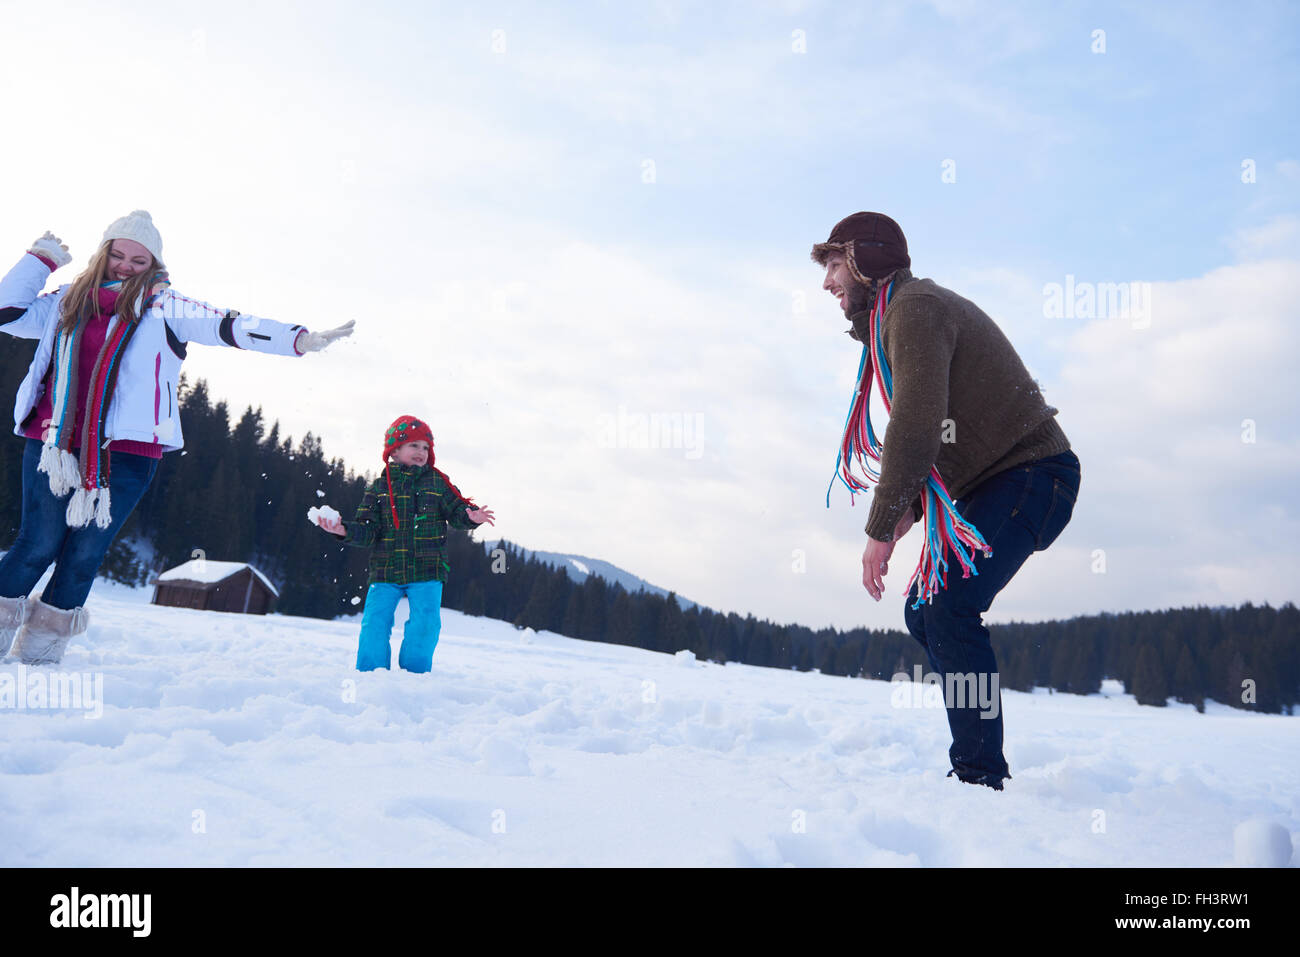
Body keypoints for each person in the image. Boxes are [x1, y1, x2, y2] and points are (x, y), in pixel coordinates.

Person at [0, 211, 355, 665]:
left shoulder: (165, 306)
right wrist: (39, 260)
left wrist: (299, 340)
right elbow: (9, 313)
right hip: (52, 442)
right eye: (118, 254)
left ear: (154, 264)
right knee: (38, 544)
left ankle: (39, 658)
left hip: (127, 452)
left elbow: (230, 325)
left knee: (84, 553)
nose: (125, 266)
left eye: (138, 259)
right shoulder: (67, 300)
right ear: (104, 252)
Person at [813, 211, 1082, 791]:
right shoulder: (896, 319)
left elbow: (917, 421)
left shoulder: (914, 308)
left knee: (948, 609)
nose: (827, 283)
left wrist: (881, 527)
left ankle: (980, 777)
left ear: (865, 260)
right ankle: (979, 762)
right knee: (925, 612)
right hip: (1001, 480)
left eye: (834, 265)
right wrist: (908, 511)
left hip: (1034, 474)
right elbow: (940, 430)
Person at [314, 415, 495, 672]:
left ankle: (415, 676)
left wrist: (470, 516)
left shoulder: (437, 482)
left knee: (426, 624)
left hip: (428, 569)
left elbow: (457, 510)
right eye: (414, 445)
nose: (422, 452)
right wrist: (343, 530)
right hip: (386, 569)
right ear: (394, 450)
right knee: (375, 624)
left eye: (426, 447)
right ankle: (371, 674)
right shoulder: (379, 487)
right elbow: (368, 530)